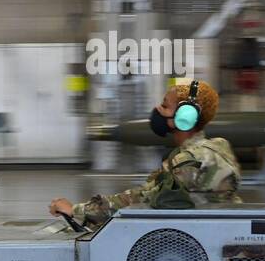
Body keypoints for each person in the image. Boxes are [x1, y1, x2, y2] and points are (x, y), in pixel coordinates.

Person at [49, 79, 241, 228]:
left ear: (185, 118)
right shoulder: (215, 147)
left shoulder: (192, 160)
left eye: (165, 106)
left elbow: (140, 200)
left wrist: (76, 210)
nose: (158, 109)